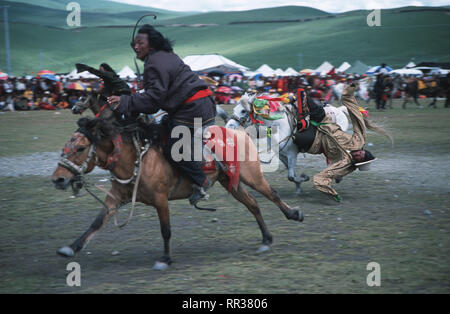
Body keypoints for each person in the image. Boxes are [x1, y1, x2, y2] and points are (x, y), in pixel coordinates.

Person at [107, 24, 217, 206]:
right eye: (134, 44)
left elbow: (153, 101)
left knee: (173, 148)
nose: (136, 47)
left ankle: (201, 181)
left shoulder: (155, 63)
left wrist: (125, 102)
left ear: (152, 44)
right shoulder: (165, 57)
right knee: (161, 132)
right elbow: (155, 97)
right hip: (197, 105)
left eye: (140, 43)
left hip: (193, 109)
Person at [305, 84, 375, 202]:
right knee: (303, 96)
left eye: (358, 158)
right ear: (363, 150)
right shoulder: (359, 140)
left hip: (317, 142)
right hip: (325, 122)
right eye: (360, 154)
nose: (357, 154)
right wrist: (348, 95)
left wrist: (331, 192)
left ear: (356, 163)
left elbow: (322, 176)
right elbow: (358, 121)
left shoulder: (345, 165)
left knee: (298, 139)